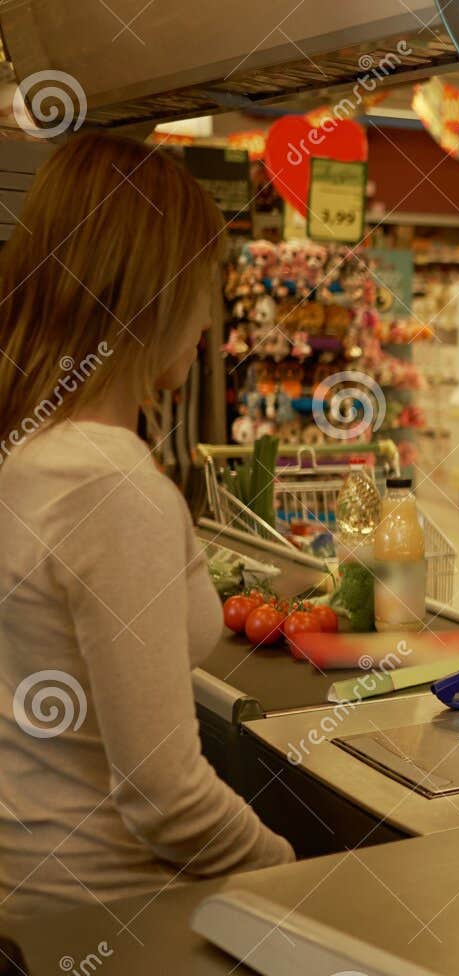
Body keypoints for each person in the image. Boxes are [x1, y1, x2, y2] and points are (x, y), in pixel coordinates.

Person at [0, 133, 294, 918]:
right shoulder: (111, 484)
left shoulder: (31, 448)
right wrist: (293, 874)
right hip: (115, 913)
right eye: (202, 284)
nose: (209, 314)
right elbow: (167, 800)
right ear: (149, 294)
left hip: (35, 891)